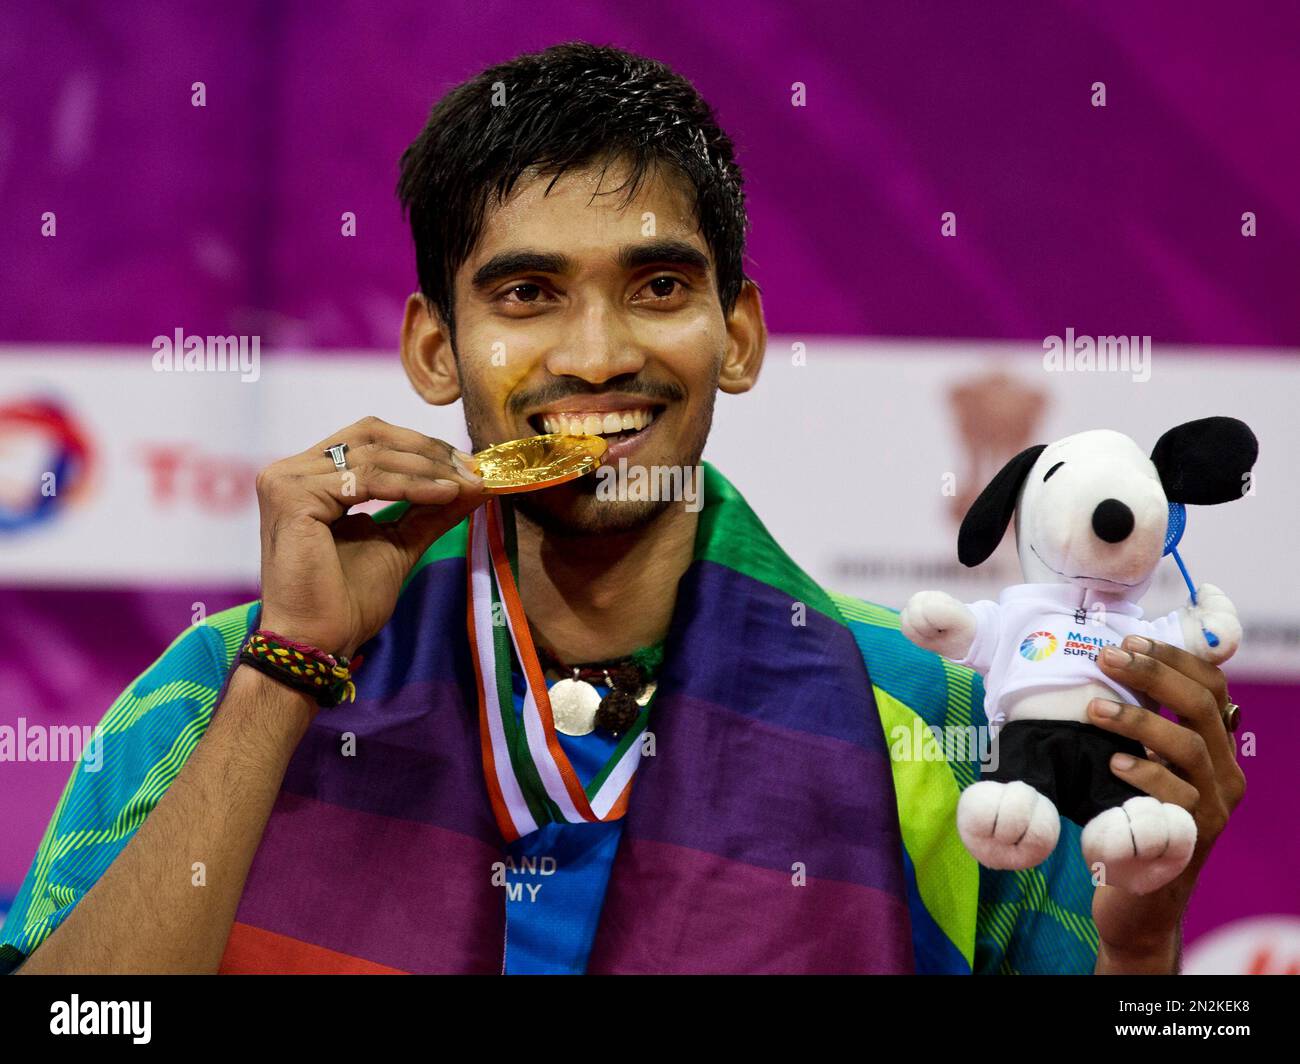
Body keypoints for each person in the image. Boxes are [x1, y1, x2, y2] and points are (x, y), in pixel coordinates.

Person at [1, 42, 1243, 976]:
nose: (596, 355)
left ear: (738, 333)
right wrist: (289, 674)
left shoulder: (941, 721)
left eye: (656, 284)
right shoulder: (222, 688)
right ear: (437, 349)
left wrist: (1140, 953)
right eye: (528, 293)